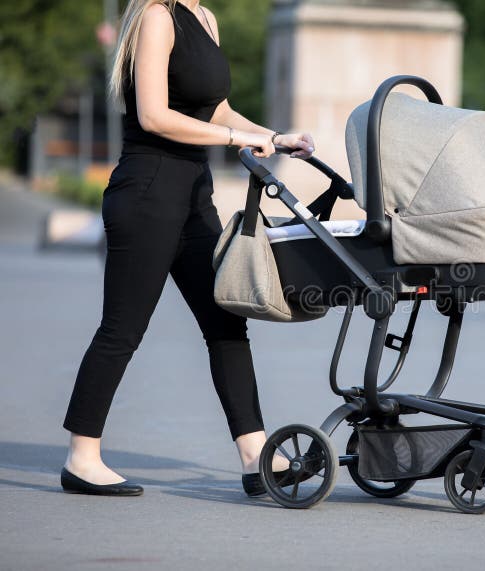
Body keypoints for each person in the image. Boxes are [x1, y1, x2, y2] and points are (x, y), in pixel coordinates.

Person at [61, 0, 314, 496]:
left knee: (225, 323)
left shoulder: (205, 19)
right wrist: (236, 137)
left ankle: (255, 456)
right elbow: (154, 116)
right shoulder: (158, 16)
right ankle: (81, 457)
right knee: (122, 330)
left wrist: (274, 138)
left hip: (194, 198)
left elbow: (215, 109)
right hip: (148, 194)